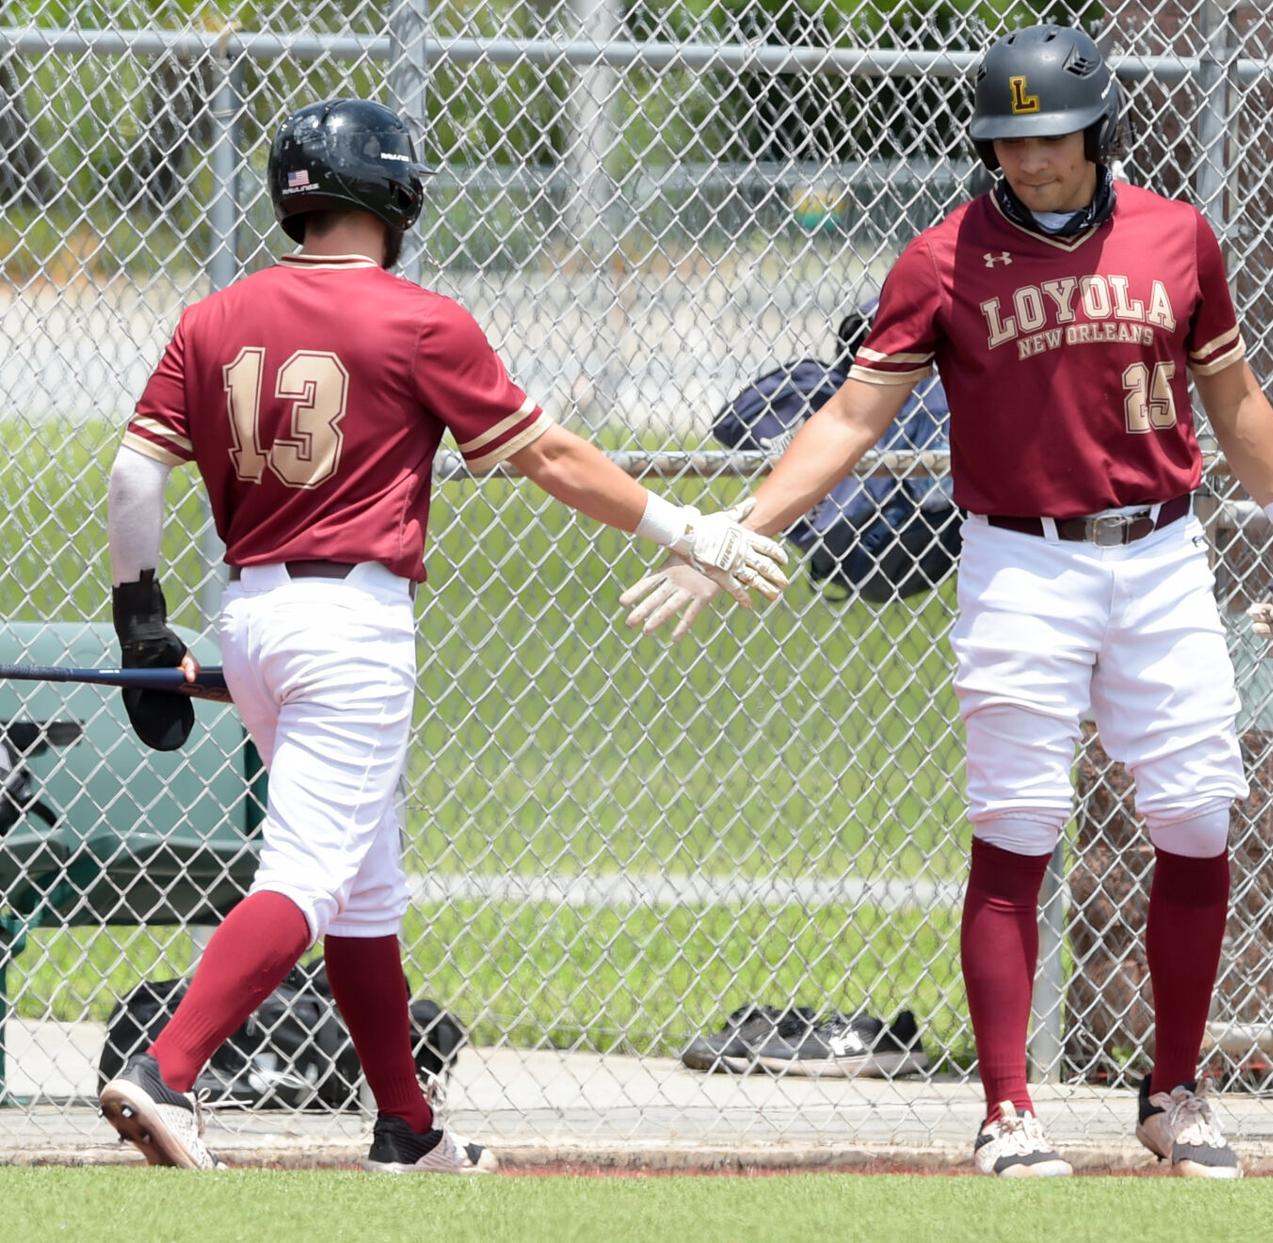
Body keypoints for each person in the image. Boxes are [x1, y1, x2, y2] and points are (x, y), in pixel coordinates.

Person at [624, 25, 1273, 1178]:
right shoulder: (942, 257)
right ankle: (1008, 1107)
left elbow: (1235, 394)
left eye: (1052, 137)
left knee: (1198, 818)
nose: (1031, 159)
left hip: (1162, 556)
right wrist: (732, 535)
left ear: (1099, 131)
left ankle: (1173, 1091)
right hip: (1020, 560)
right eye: (1009, 141)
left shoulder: (1177, 236)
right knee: (1016, 826)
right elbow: (852, 419)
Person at [99, 97, 787, 1172]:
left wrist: (140, 625)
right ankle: (166, 1071)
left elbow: (134, 473)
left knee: (363, 890)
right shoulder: (418, 320)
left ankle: (406, 1126)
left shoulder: (212, 316)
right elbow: (547, 456)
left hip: (252, 619)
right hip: (351, 624)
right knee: (308, 875)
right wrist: (688, 527)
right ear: (393, 193)